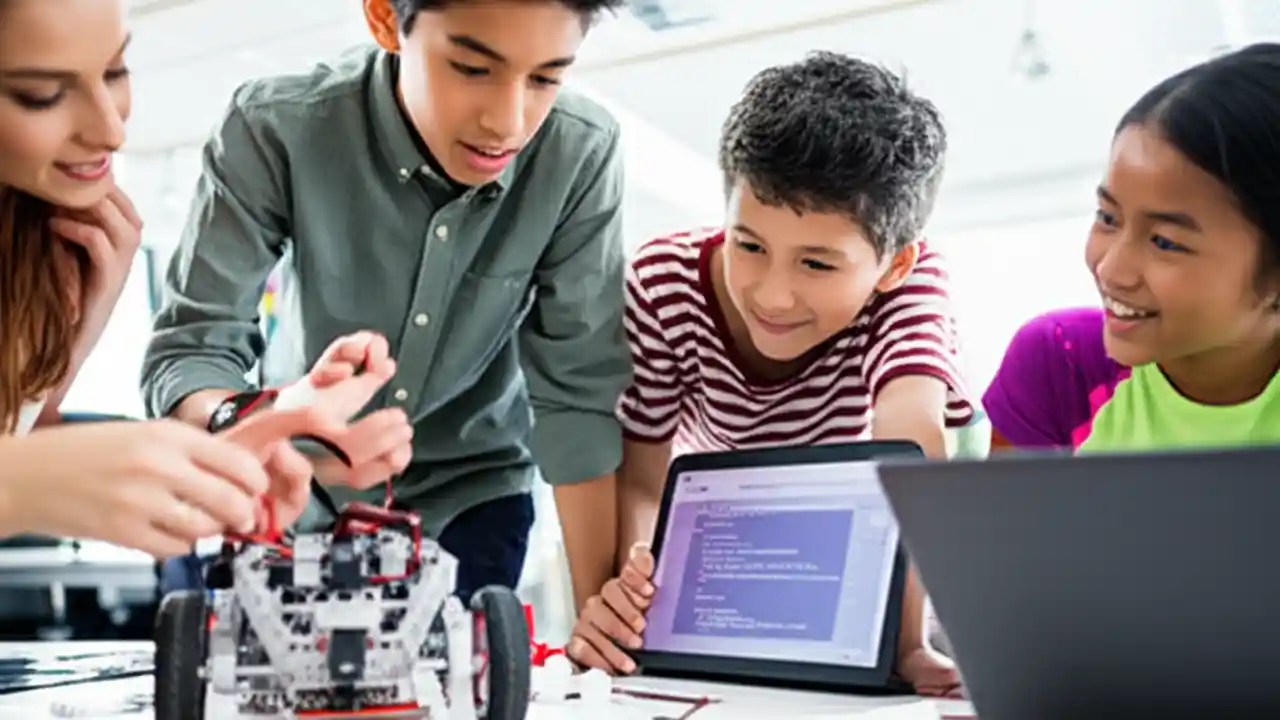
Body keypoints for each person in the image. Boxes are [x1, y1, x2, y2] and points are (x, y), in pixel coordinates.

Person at [141, 0, 631, 603]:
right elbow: (190, 351)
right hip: (300, 488)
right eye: (472, 69)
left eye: (546, 77)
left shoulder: (580, 153)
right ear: (383, 19)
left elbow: (577, 396)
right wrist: (259, 425)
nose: (510, 122)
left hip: (472, 498)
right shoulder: (276, 126)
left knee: (458, 688)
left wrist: (595, 621)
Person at [567, 52, 975, 696]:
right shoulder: (664, 282)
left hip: (851, 530)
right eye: (749, 246)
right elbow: (643, 479)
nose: (772, 296)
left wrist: (909, 645)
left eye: (817, 265)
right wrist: (636, 600)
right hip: (721, 531)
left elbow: (911, 441)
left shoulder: (913, 287)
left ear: (892, 267)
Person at [0, 0, 409, 556]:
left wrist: (258, 435)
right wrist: (29, 481)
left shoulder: (52, 246)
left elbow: (16, 436)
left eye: (116, 71)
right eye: (40, 96)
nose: (110, 129)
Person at [983, 43, 1280, 453]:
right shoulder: (1060, 367)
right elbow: (1000, 517)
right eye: (1108, 217)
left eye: (1165, 242)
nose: (1110, 269)